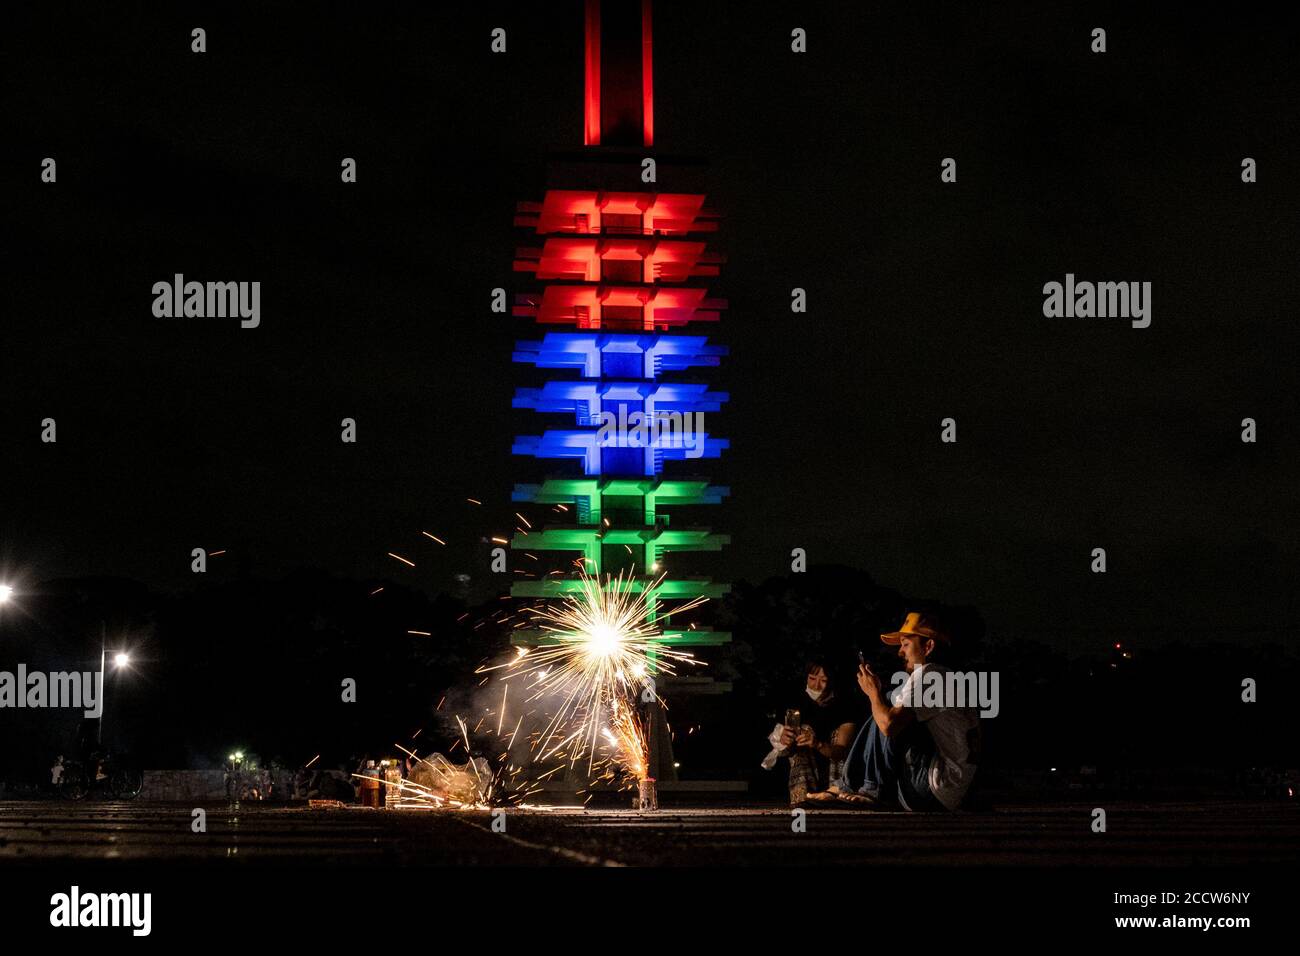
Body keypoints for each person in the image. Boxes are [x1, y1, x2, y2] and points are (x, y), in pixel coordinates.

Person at [807, 612, 980, 811]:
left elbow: (888, 726)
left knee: (887, 703)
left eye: (905, 644)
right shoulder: (946, 676)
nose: (900, 652)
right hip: (948, 791)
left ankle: (871, 789)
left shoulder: (930, 675)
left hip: (929, 790)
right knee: (890, 699)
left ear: (929, 646)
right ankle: (852, 785)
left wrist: (873, 693)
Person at [777, 660, 858, 805]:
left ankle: (837, 792)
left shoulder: (846, 704)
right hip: (807, 768)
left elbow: (842, 751)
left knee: (832, 735)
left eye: (824, 680)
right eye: (812, 678)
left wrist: (817, 744)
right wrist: (784, 738)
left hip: (834, 766)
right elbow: (780, 744)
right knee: (802, 731)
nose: (816, 685)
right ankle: (802, 795)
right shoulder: (797, 701)